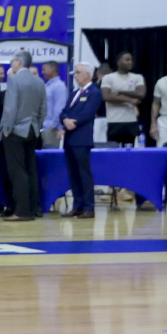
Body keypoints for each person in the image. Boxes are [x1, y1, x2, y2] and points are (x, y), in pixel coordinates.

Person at [0, 50, 46, 220]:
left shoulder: (14, 80)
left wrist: (6, 130)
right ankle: (32, 209)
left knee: (17, 171)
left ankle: (21, 211)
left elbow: (10, 109)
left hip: (16, 130)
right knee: (30, 170)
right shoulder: (39, 81)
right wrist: (37, 126)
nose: (11, 63)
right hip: (32, 130)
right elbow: (43, 109)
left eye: (13, 60)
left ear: (18, 62)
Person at [60, 63, 101, 218]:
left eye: (77, 72)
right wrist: (64, 120)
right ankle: (77, 206)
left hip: (82, 139)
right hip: (69, 139)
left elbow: (88, 113)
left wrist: (73, 123)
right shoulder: (74, 93)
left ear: (87, 75)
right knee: (73, 174)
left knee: (84, 174)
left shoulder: (94, 92)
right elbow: (64, 111)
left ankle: (89, 207)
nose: (74, 75)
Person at [98, 51, 145, 154]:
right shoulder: (109, 78)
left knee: (130, 152)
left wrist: (120, 92)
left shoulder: (137, 77)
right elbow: (106, 96)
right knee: (112, 152)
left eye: (131, 60)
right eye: (127, 60)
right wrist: (130, 100)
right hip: (114, 121)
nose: (130, 62)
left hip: (131, 121)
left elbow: (141, 94)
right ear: (119, 62)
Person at [40, 61, 67, 149]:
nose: (42, 72)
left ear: (52, 69)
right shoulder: (47, 86)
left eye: (44, 69)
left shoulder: (59, 86)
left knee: (49, 157)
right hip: (43, 129)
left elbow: (60, 109)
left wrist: (51, 127)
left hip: (51, 131)